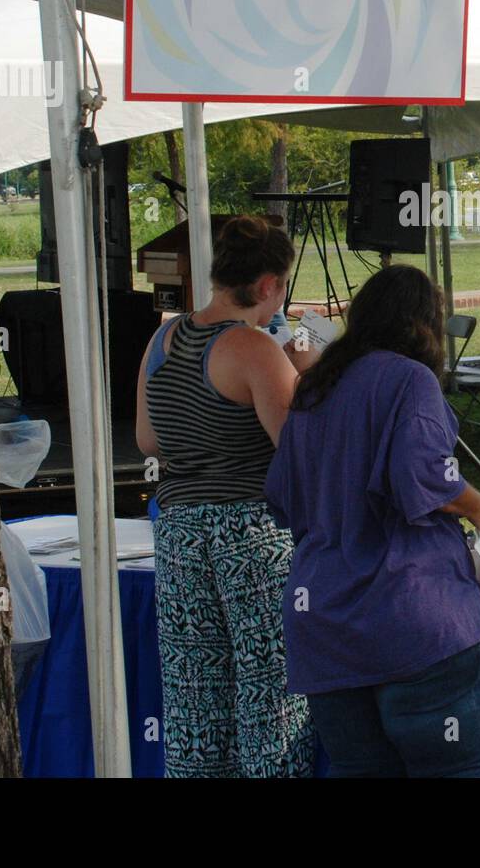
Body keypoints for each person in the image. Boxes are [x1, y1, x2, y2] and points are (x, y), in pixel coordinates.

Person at [265, 265, 480, 778]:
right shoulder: (409, 379)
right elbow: (423, 477)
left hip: (327, 629)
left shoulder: (312, 391)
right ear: (425, 324)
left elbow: (284, 497)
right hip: (416, 623)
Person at [135, 215, 314, 778]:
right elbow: (297, 446)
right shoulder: (254, 348)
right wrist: (303, 374)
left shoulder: (161, 340)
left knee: (195, 702)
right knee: (271, 701)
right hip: (251, 535)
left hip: (180, 533)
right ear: (268, 286)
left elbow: (147, 440)